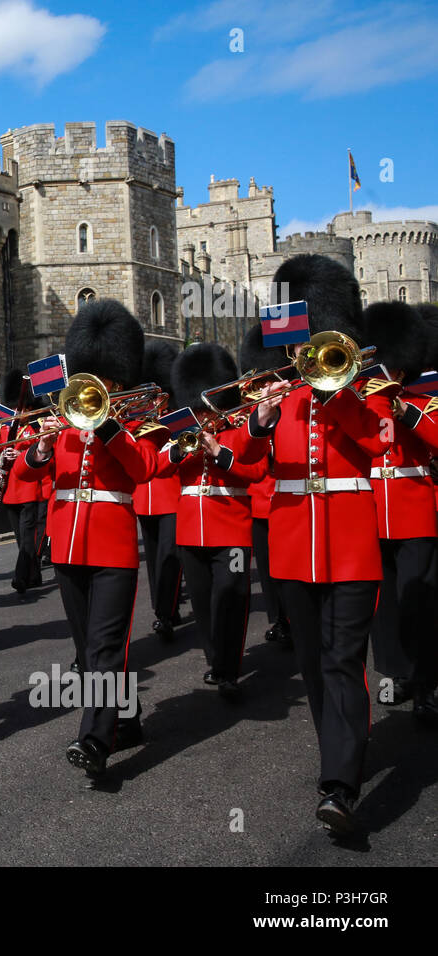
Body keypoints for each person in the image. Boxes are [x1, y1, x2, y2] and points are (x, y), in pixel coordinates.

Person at [245, 254, 393, 836]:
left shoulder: (368, 388)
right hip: (290, 544)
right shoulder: (274, 394)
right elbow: (250, 464)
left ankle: (339, 785)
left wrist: (340, 393)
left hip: (352, 541)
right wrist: (257, 424)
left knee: (343, 661)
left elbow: (380, 443)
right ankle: (341, 749)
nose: (303, 357)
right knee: (311, 664)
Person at [14, 299, 156, 777]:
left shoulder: (135, 421)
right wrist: (41, 444)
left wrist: (110, 425)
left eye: (108, 383)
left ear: (119, 382)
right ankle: (128, 716)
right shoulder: (63, 424)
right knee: (86, 644)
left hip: (113, 545)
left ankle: (95, 739)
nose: (98, 390)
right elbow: (23, 472)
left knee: (103, 647)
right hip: (67, 544)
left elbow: (146, 469)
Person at [159, 344, 266, 697]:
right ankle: (215, 659)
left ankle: (229, 668)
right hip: (190, 527)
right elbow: (157, 468)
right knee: (204, 602)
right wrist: (179, 449)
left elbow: (255, 469)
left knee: (232, 594)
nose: (203, 415)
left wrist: (219, 452)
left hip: (232, 526)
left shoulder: (237, 428)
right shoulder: (180, 431)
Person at [359, 301, 438, 721]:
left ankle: (426, 683)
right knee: (383, 603)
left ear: (404, 367)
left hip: (414, 509)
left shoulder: (424, 398)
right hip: (371, 508)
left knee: (419, 602)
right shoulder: (361, 400)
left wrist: (406, 412)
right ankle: (394, 674)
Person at [238, 325, 292, 649]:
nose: (265, 386)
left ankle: (294, 617)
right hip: (260, 500)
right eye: (261, 381)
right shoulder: (254, 406)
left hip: (288, 496)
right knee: (268, 568)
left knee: (290, 565)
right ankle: (278, 619)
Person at [132, 341, 184, 639]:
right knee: (153, 559)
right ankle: (162, 607)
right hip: (144, 498)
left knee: (168, 556)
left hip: (171, 494)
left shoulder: (177, 417)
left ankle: (166, 611)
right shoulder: (137, 419)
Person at [0, 369, 48, 598]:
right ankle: (34, 574)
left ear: (29, 409)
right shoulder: (3, 429)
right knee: (19, 537)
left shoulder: (35, 429)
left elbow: (40, 454)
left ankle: (20, 576)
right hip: (9, 490)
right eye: (14, 408)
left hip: (31, 489)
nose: (16, 412)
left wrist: (19, 456)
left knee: (28, 536)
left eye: (20, 409)